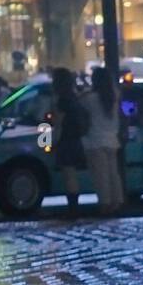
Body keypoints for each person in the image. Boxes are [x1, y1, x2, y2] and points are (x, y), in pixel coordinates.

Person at [80, 66, 123, 215]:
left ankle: (104, 203)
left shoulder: (90, 99)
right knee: (113, 173)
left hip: (95, 140)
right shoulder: (114, 95)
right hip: (112, 139)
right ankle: (116, 201)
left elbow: (80, 102)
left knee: (101, 176)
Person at [49, 68, 89, 218]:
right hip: (76, 138)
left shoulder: (60, 100)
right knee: (71, 175)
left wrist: (50, 142)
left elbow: (57, 124)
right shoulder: (74, 97)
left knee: (69, 175)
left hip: (65, 140)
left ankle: (73, 209)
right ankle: (74, 207)